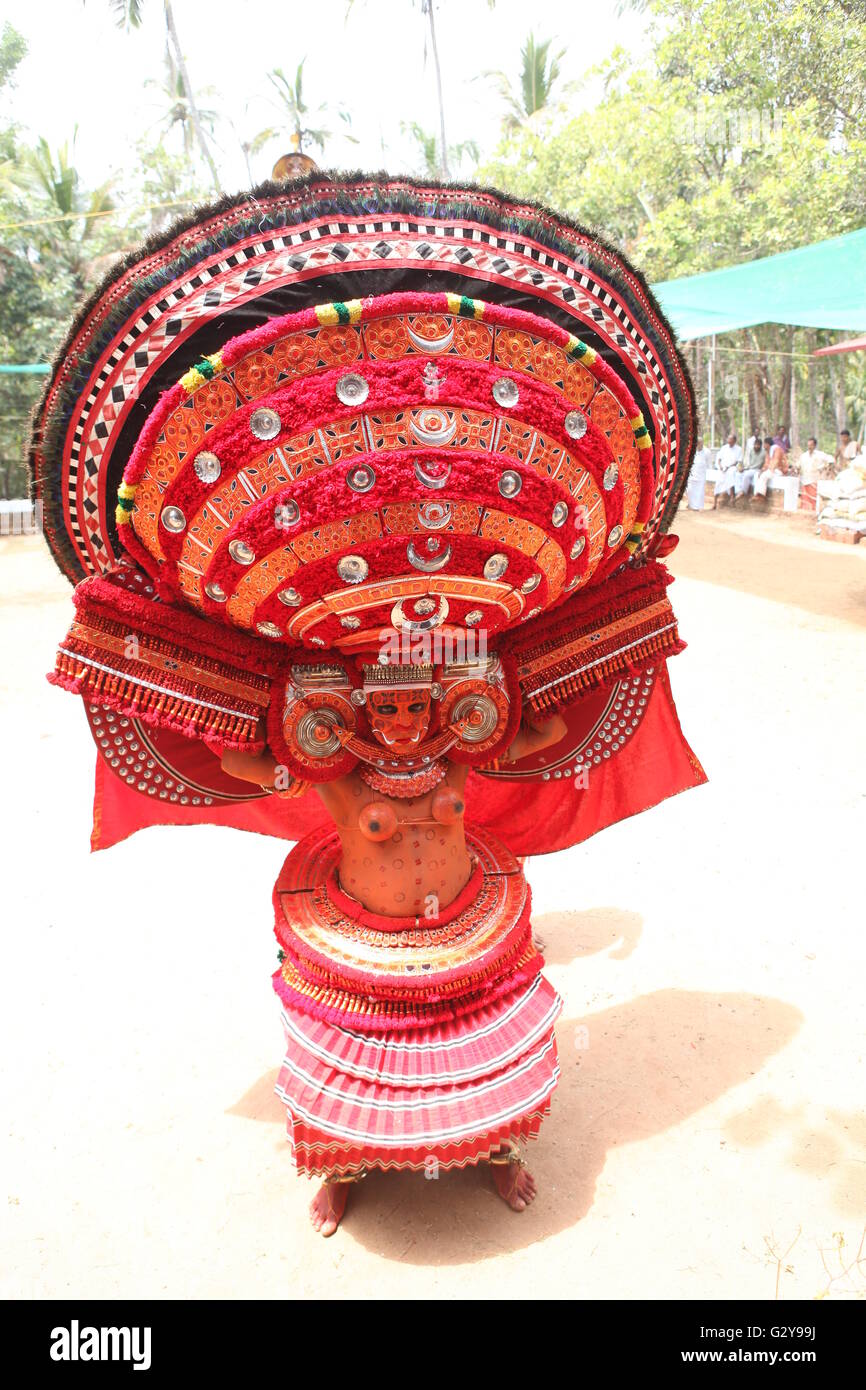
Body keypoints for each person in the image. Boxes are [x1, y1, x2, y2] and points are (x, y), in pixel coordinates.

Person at [30, 175, 706, 1238]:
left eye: (421, 704)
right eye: (383, 712)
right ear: (348, 716)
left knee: (489, 1056)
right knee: (350, 1073)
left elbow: (541, 734)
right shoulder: (337, 765)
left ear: (450, 695)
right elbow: (242, 761)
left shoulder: (462, 742)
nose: (403, 726)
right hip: (360, 940)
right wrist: (253, 719)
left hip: (467, 925)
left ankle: (493, 1152)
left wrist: (537, 696)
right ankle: (339, 1170)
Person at [797, 437, 834, 512]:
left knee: (815, 497)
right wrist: (797, 469)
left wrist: (827, 468)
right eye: (808, 445)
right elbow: (798, 465)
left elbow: (831, 459)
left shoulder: (820, 454)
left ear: (814, 445)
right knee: (806, 498)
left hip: (815, 478)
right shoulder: (804, 455)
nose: (809, 447)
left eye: (811, 445)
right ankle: (806, 511)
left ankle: (814, 511)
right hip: (805, 479)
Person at [713, 431, 742, 506]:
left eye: (731, 440)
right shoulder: (724, 448)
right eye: (728, 439)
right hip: (722, 468)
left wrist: (728, 467)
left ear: (734, 441)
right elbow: (719, 459)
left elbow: (738, 461)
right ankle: (715, 503)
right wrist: (721, 466)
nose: (729, 441)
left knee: (731, 476)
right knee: (718, 483)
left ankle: (732, 498)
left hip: (732, 468)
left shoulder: (739, 449)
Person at [686, 435, 712, 509]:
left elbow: (708, 463)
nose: (699, 444)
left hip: (701, 475)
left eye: (700, 443)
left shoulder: (707, 451)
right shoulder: (692, 450)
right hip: (692, 474)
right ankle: (691, 505)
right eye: (697, 443)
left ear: (702, 443)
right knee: (689, 490)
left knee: (700, 491)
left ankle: (698, 507)